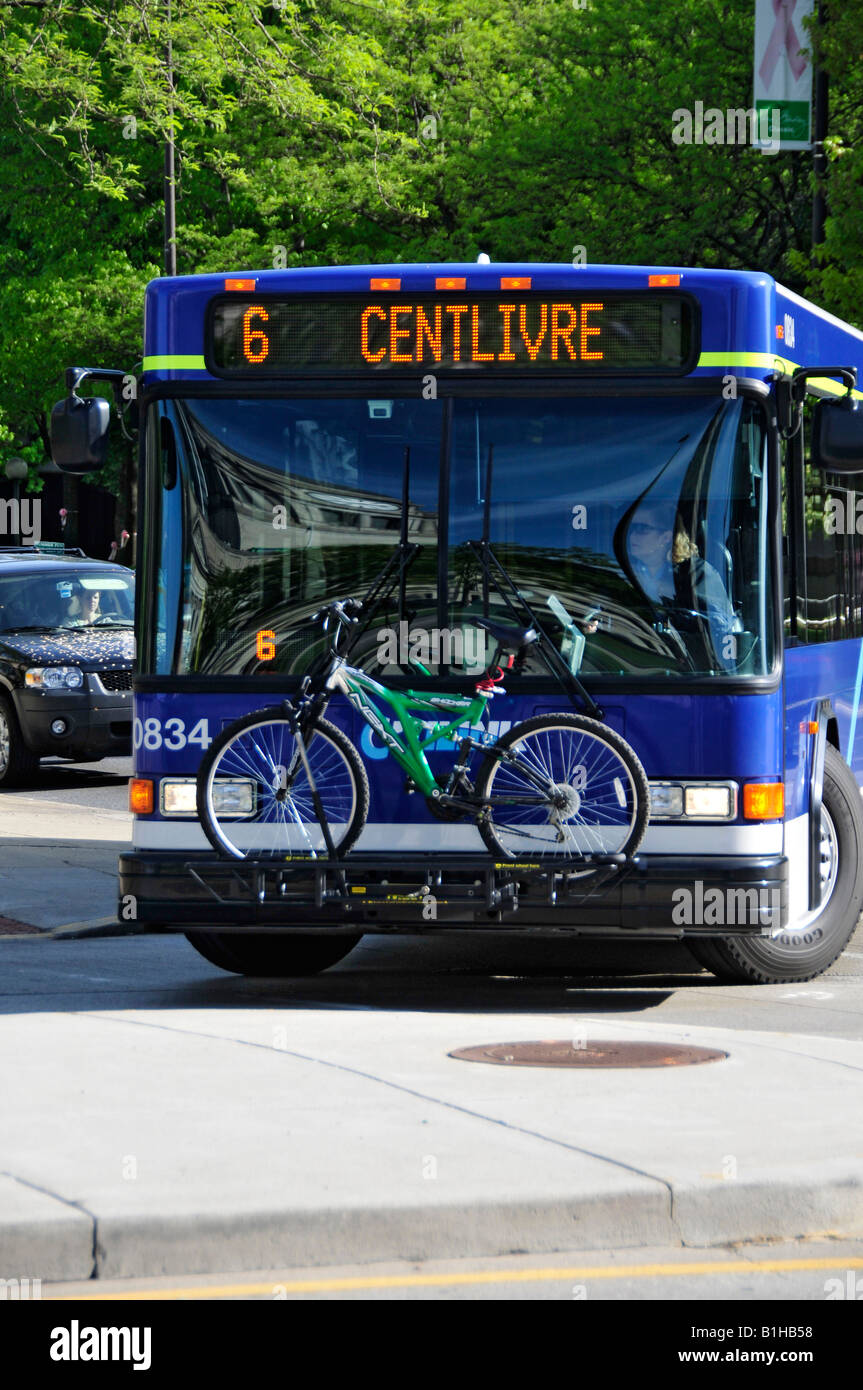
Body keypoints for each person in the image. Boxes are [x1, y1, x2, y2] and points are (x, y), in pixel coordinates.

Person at [627, 509, 739, 657]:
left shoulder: (698, 573)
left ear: (666, 537)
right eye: (631, 528)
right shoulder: (621, 570)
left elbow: (719, 627)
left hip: (687, 668)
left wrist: (671, 601)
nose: (632, 535)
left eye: (642, 529)